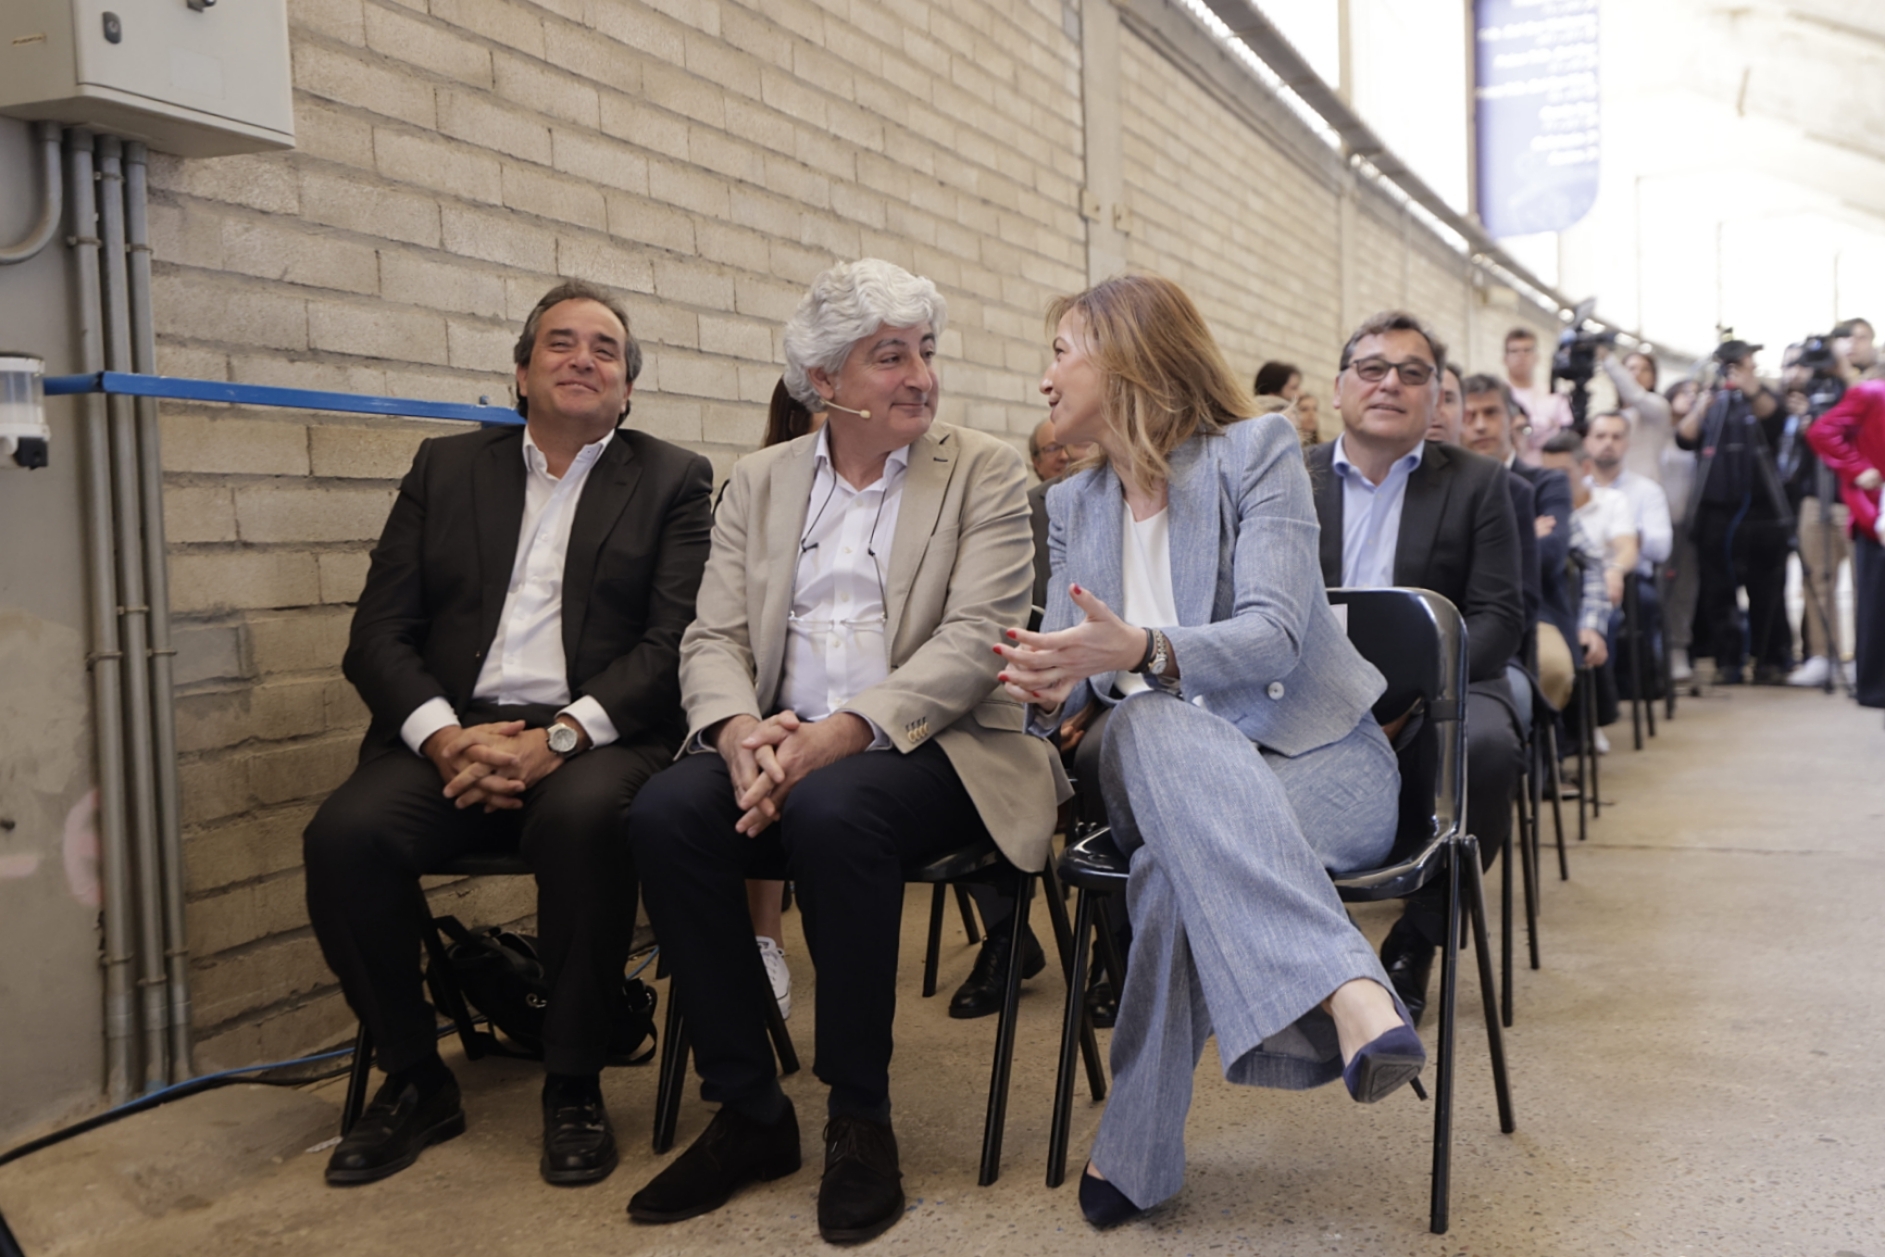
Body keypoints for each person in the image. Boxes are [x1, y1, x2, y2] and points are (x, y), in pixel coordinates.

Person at [623, 259, 1064, 1246]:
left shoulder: (984, 471)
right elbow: (712, 636)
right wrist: (737, 732)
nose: (921, 377)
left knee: (835, 810)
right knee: (665, 812)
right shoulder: (759, 481)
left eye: (925, 352)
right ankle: (748, 1108)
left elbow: (977, 640)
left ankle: (860, 1116)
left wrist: (845, 730)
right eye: (889, 357)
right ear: (823, 380)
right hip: (781, 737)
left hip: (937, 747)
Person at [995, 275, 1416, 1229]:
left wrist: (1142, 650)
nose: (1043, 378)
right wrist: (1050, 688)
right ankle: (1349, 986)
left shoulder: (1255, 452)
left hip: (1318, 759)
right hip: (1156, 764)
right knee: (1144, 721)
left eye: (1060, 352)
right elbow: (1082, 676)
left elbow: (1274, 633)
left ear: (1127, 358)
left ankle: (1135, 1147)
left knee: (1171, 874)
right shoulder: (1069, 503)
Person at [303, 280, 715, 1187]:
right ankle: (415, 1077)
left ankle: (573, 1077)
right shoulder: (445, 468)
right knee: (344, 836)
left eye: (605, 349)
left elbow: (674, 643)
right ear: (521, 373)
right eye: (560, 343)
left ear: (628, 388)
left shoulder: (675, 480)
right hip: (454, 735)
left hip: (597, 737)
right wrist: (444, 738)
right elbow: (378, 633)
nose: (583, 359)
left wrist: (559, 738)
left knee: (584, 821)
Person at [1307, 314, 1525, 1027]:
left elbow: (1497, 616)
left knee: (1487, 749)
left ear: (1435, 396)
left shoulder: (1478, 483)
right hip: (1308, 690)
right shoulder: (1291, 476)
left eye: (1412, 372)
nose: (1389, 384)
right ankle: (1315, 947)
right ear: (1339, 387)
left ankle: (1417, 939)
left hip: (1441, 691)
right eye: (1371, 368)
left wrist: (1413, 695)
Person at [1455, 374, 1577, 710]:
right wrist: (1524, 535)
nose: (1480, 425)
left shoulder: (1547, 482)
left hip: (1537, 613)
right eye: (1469, 415)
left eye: (1491, 413)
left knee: (1552, 670)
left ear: (1513, 420)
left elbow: (1552, 554)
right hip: (1462, 613)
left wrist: (1483, 547)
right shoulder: (1448, 486)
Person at [1676, 341, 1794, 685]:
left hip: (1762, 510)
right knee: (1717, 590)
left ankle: (1770, 659)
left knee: (1767, 589)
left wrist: (1749, 386)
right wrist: (1703, 402)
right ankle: (1728, 660)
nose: (1743, 366)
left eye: (1746, 361)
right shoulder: (1711, 400)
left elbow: (1776, 420)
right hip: (1715, 511)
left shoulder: (1762, 396)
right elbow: (1684, 438)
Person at [1806, 369, 1885, 707]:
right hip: (1877, 516)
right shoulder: (1872, 393)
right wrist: (1857, 468)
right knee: (1876, 603)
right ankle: (1875, 688)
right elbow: (1821, 431)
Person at [1586, 411, 1673, 698]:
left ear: (1627, 443)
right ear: (1587, 442)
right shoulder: (1577, 488)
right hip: (1586, 574)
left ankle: (1625, 683)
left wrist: (1624, 535)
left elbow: (1661, 547)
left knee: (1644, 603)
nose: (1608, 443)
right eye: (1600, 436)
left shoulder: (1647, 491)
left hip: (1633, 578)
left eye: (1616, 436)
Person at [1663, 378, 1702, 682]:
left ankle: (1678, 647)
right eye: (1686, 393)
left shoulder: (1702, 434)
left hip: (1688, 523)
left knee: (1684, 590)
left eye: (1697, 394)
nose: (1692, 398)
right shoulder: (1655, 431)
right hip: (1658, 521)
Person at [1503, 327, 1575, 463]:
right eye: (1514, 351)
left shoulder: (1554, 395)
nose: (1521, 356)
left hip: (1549, 468)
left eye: (1527, 350)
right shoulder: (1498, 396)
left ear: (1537, 357)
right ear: (1505, 359)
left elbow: (1567, 435)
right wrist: (1547, 425)